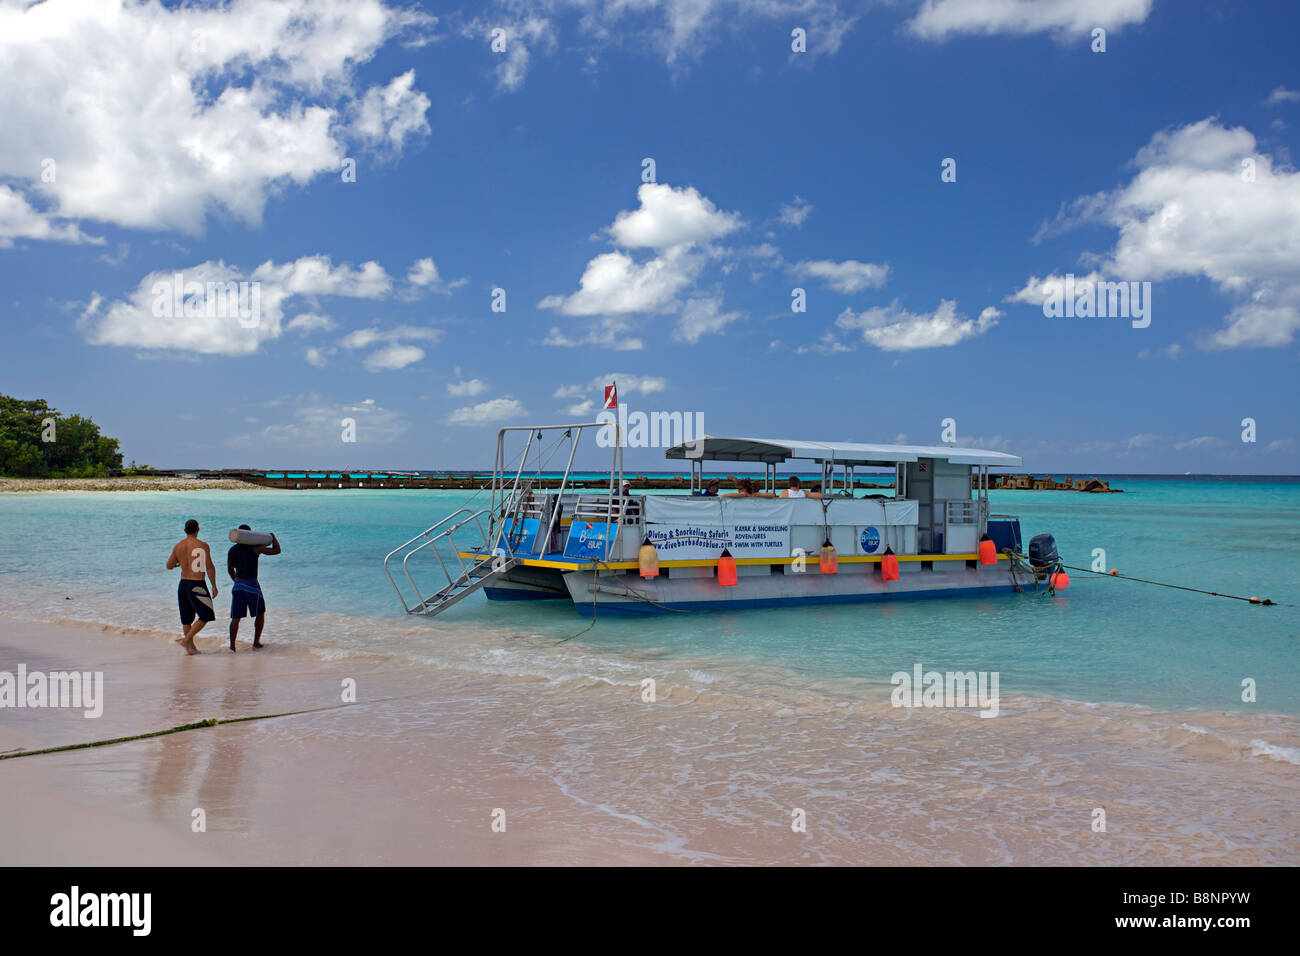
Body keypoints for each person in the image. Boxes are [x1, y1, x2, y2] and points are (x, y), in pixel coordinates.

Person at [166, 518, 217, 655]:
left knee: (187, 619)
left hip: (183, 584)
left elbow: (169, 566)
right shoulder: (203, 545)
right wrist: (214, 585)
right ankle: (186, 640)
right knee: (206, 615)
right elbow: (210, 567)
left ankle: (191, 648)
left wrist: (180, 563)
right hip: (197, 584)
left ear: (184, 530)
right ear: (198, 529)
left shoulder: (178, 546)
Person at [227, 525, 280, 651]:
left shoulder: (232, 550)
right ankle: (256, 642)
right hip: (251, 584)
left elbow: (230, 569)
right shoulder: (255, 548)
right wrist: (273, 536)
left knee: (236, 618)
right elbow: (277, 550)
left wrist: (236, 580)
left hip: (238, 585)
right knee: (260, 613)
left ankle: (232, 646)